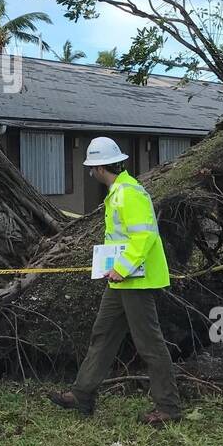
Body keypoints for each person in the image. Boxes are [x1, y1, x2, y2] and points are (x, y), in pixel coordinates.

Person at [49, 136, 182, 425]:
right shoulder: (118, 191)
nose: (91, 174)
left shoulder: (128, 193)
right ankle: (82, 395)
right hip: (122, 279)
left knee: (150, 344)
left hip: (136, 279)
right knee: (103, 335)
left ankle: (168, 408)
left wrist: (121, 267)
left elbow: (144, 236)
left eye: (91, 169)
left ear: (98, 169)